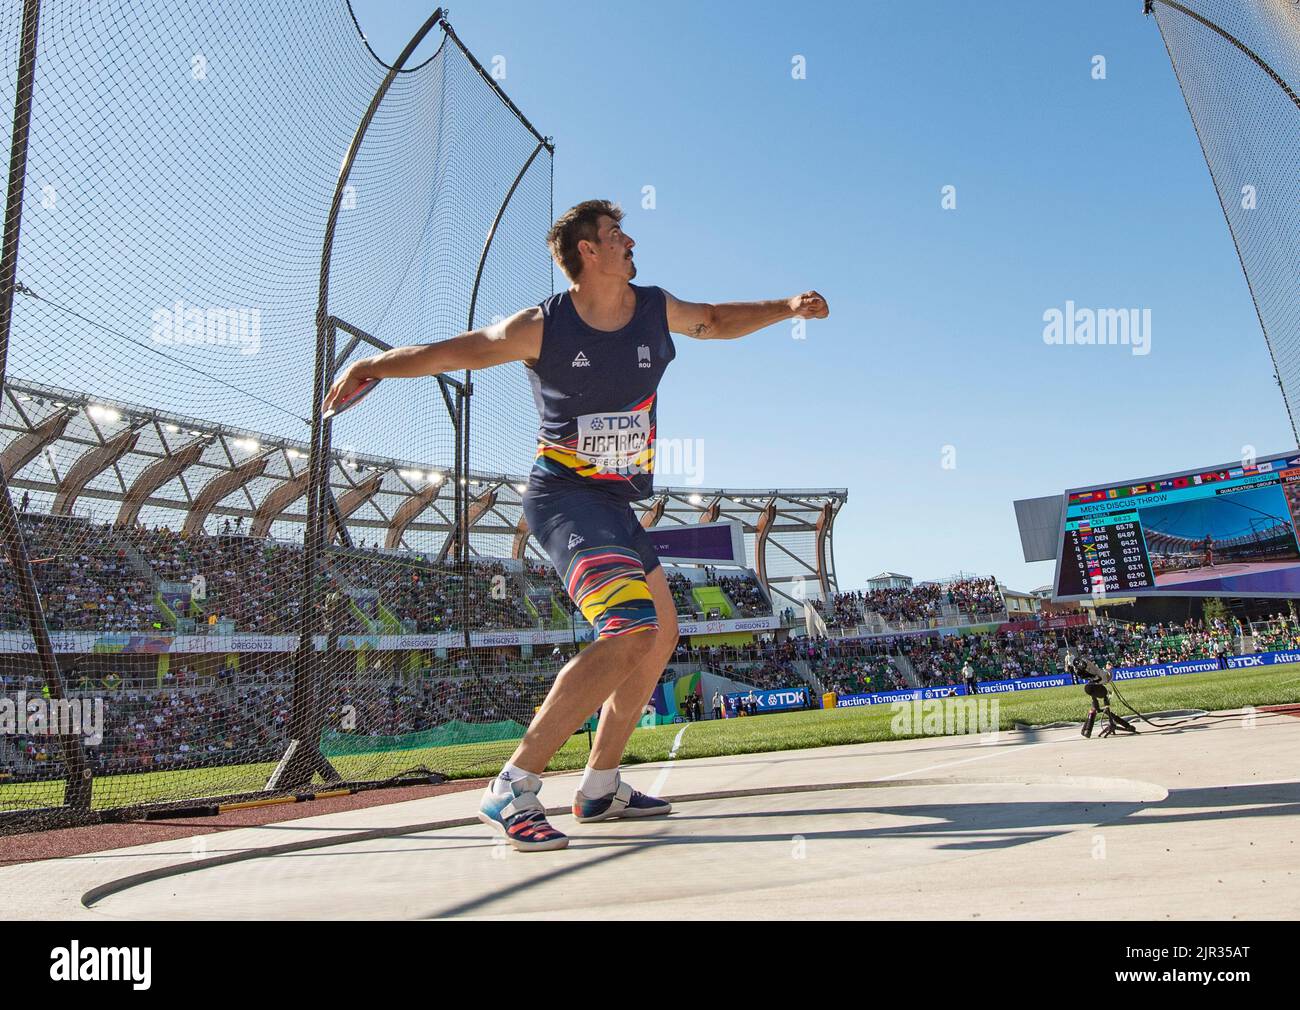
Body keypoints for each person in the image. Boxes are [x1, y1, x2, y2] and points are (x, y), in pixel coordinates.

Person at [323, 199, 827, 851]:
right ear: (587, 252)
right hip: (564, 497)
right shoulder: (542, 326)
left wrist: (786, 307)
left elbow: (715, 320)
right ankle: (514, 785)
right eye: (616, 234)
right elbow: (455, 351)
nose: (630, 240)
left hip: (616, 503)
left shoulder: (653, 307)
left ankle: (600, 785)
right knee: (629, 629)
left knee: (660, 633)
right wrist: (373, 365)